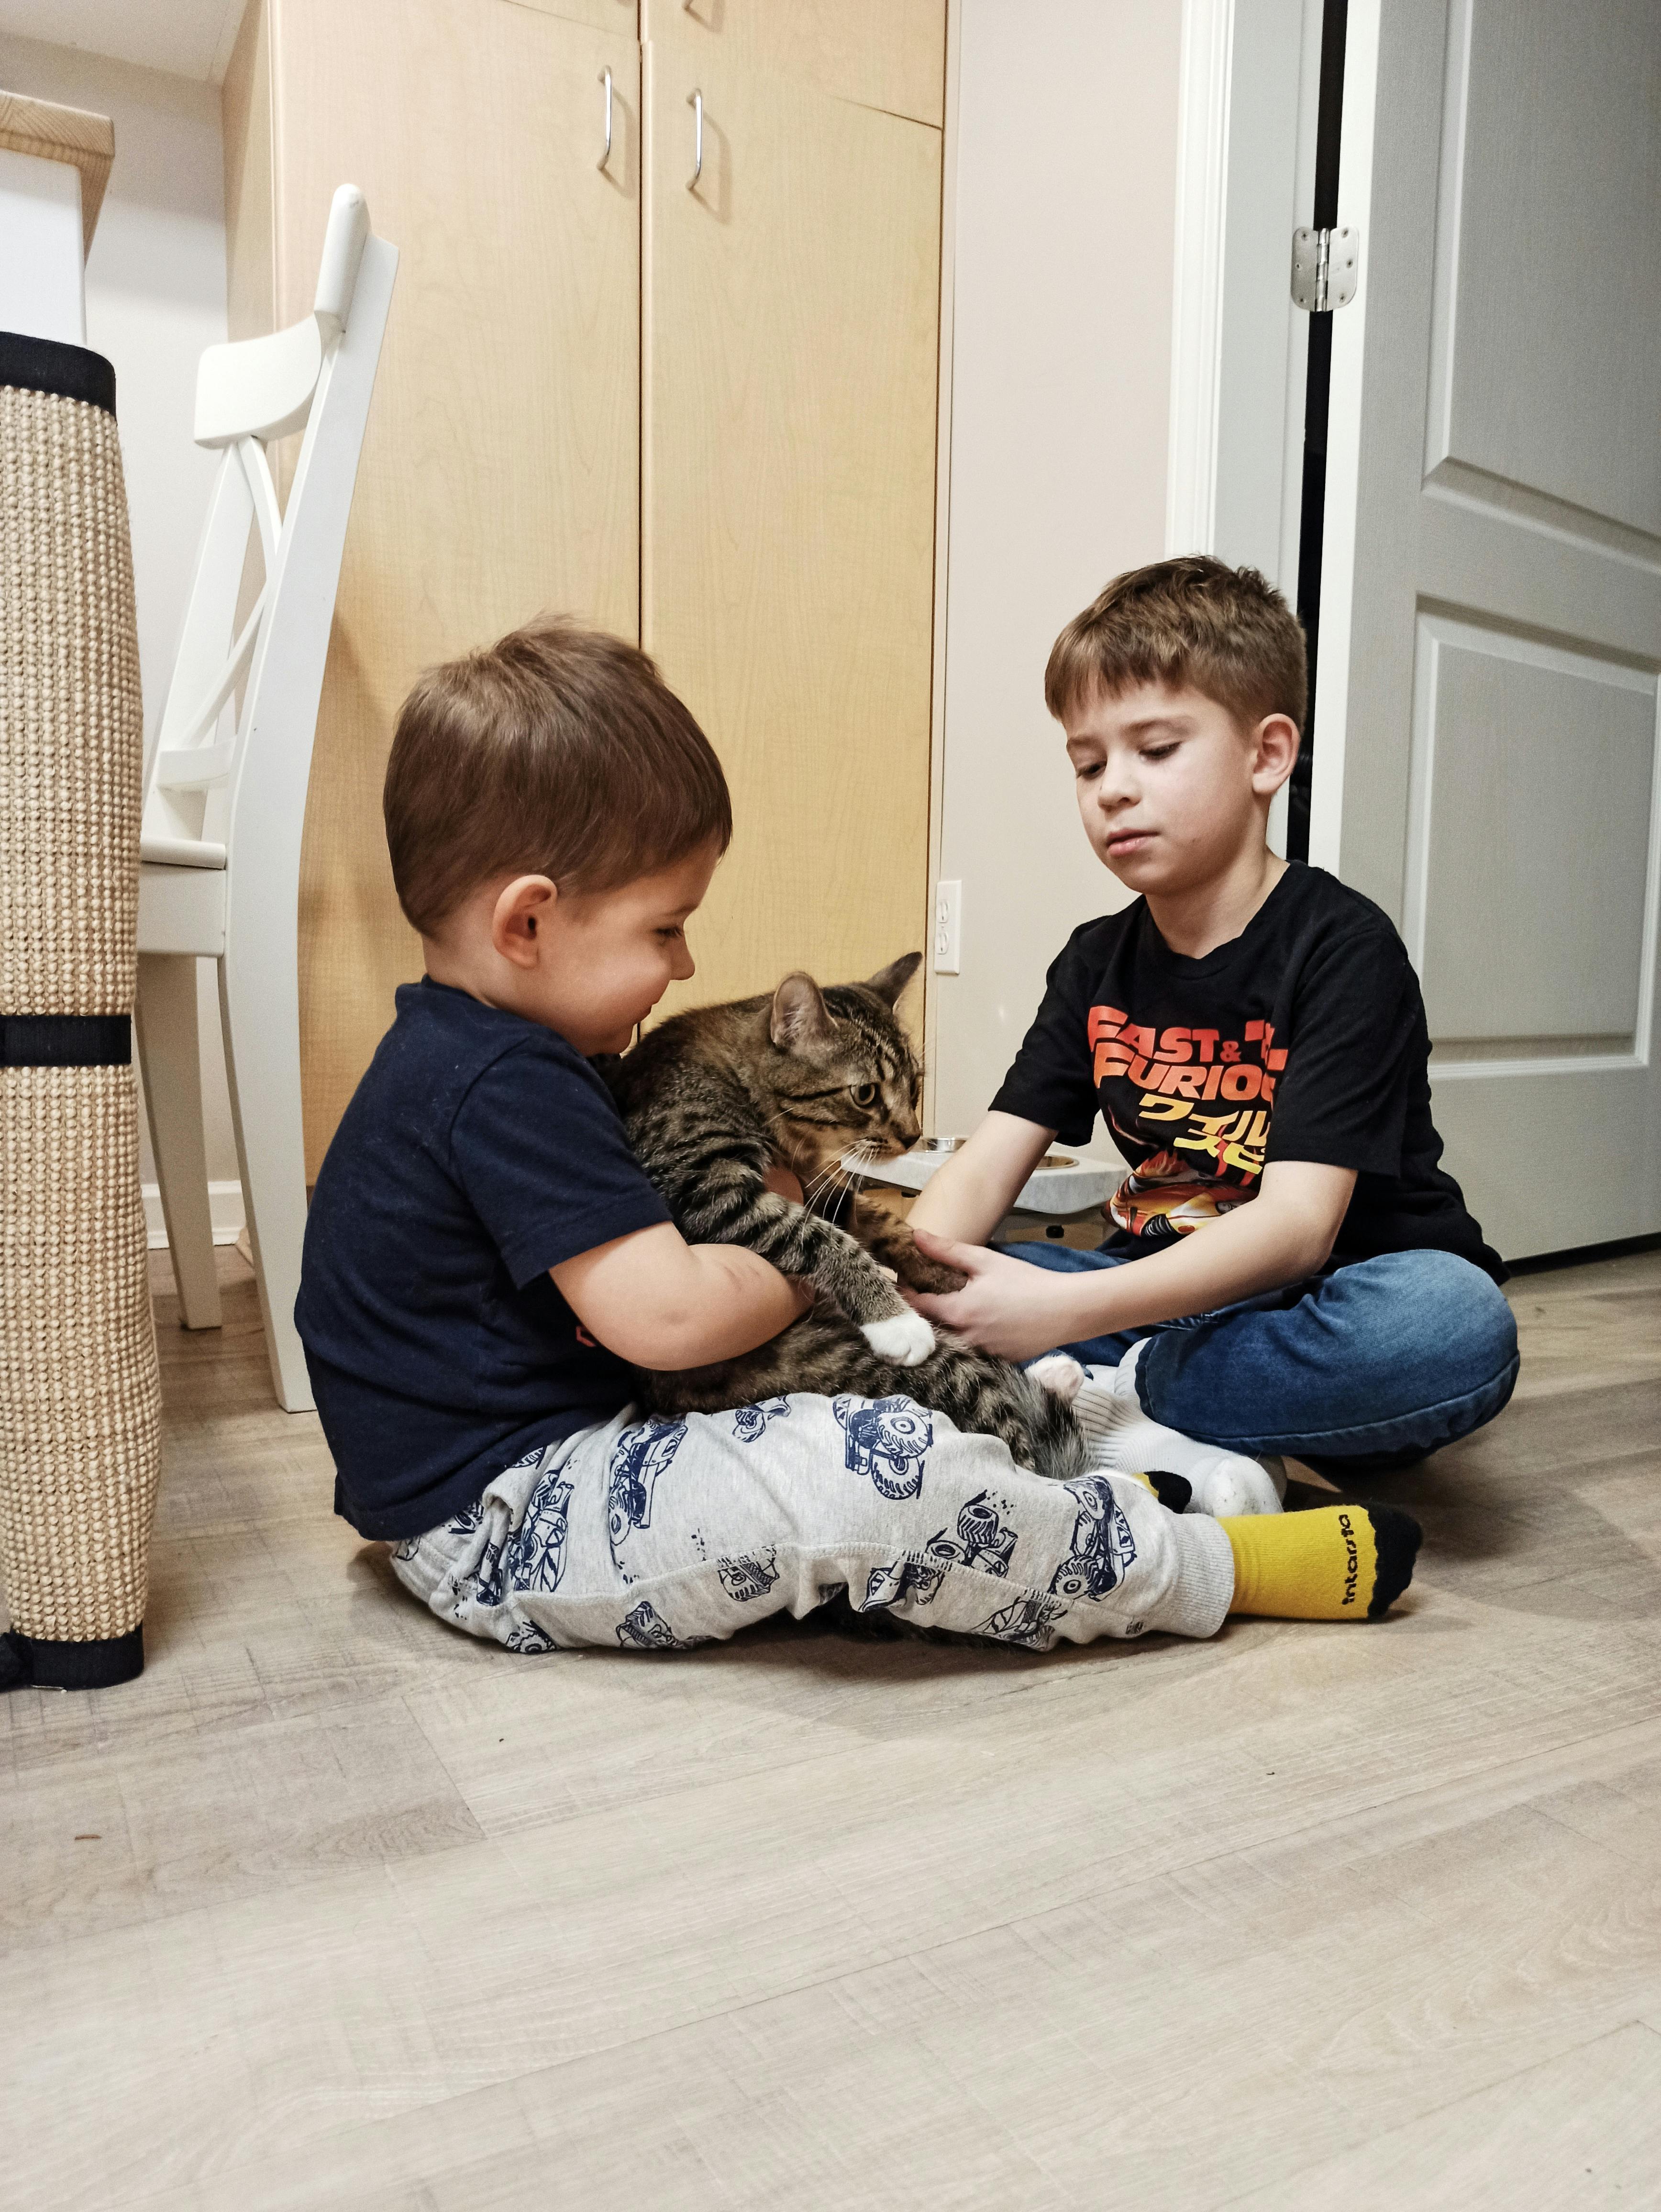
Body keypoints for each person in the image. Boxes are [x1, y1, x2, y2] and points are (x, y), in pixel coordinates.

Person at [295, 616, 1421, 1661]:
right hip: (505, 1519)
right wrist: (817, 1274)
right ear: (527, 922)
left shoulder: (487, 1055)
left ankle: (1081, 1436)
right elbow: (675, 1317)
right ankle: (1190, 1560)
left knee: (866, 1422)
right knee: (862, 1485)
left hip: (555, 1456)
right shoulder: (502, 1080)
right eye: (664, 927)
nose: (686, 967)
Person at [905, 555, 1518, 1499]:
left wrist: (1060, 1311)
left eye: (1154, 750)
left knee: (1451, 1330)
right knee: (957, 1281)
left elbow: (1294, 1230)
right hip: (1153, 1282)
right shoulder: (1092, 960)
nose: (1111, 787)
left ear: (1265, 754)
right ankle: (1153, 1404)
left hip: (1325, 1297)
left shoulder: (1341, 947)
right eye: (1086, 762)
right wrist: (900, 1288)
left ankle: (1121, 1395)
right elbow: (988, 1164)